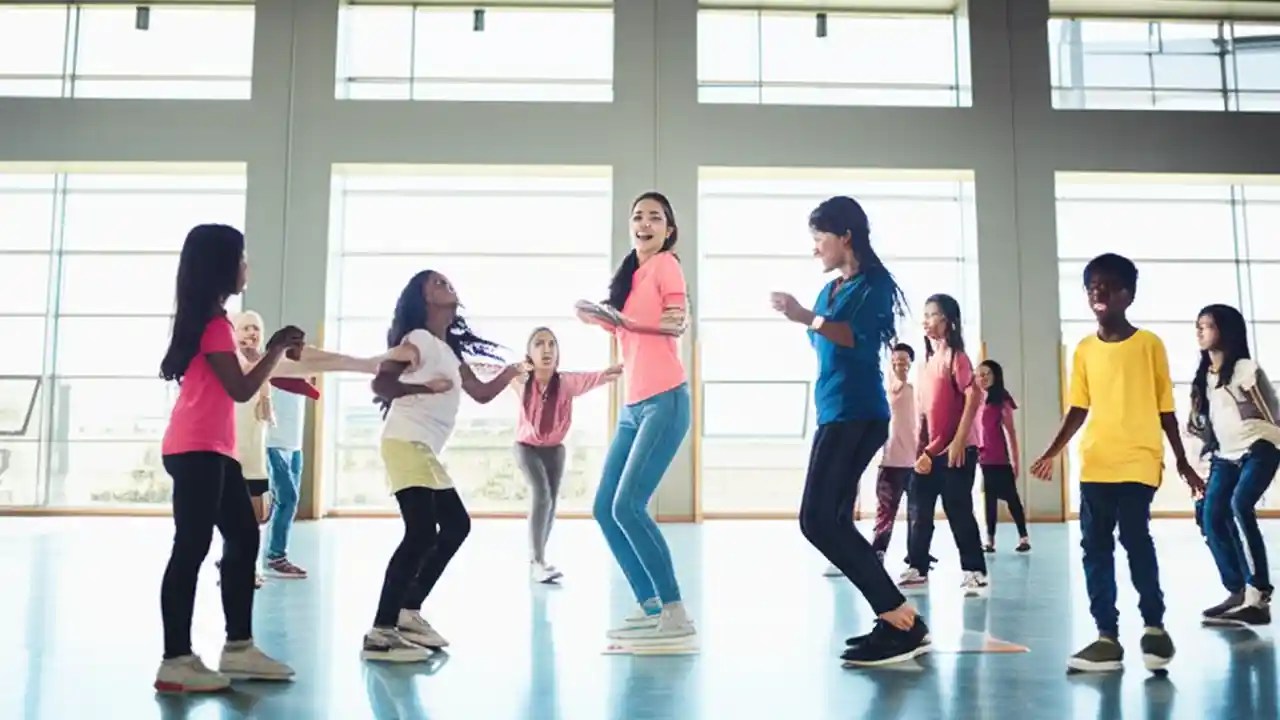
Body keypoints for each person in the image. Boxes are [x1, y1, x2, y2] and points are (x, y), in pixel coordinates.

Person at [770, 195, 931, 667]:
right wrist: (813, 318)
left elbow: (853, 339)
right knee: (831, 520)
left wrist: (806, 316)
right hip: (833, 413)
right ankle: (897, 621)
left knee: (817, 520)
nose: (815, 248)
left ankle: (900, 618)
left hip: (858, 415)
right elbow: (827, 336)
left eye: (820, 238)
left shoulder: (874, 287)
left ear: (846, 237)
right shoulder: (830, 292)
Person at [1030, 252, 1202, 674]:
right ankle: (1107, 636)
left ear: (1129, 294)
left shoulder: (1149, 345)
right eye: (1092, 286)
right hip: (1096, 464)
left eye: (1108, 286)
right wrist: (1052, 451)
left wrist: (1182, 459)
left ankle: (1154, 627)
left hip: (1140, 461)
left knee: (1135, 538)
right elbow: (1078, 409)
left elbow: (1166, 408)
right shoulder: (1085, 350)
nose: (1098, 292)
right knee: (1095, 547)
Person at [154, 224, 301, 693]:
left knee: (242, 537)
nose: (246, 267)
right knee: (192, 548)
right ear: (222, 265)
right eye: (241, 257)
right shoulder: (215, 326)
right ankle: (175, 660)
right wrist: (276, 348)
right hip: (197, 450)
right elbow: (240, 389)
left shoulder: (210, 321)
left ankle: (239, 648)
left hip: (213, 450)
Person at [363, 269, 526, 662]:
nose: (446, 283)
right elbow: (381, 385)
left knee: (455, 525)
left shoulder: (449, 352)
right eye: (435, 283)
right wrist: (423, 387)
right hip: (404, 441)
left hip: (422, 449)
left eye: (446, 281)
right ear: (423, 299)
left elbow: (482, 394)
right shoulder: (416, 341)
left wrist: (512, 371)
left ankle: (407, 611)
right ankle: (381, 632)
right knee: (420, 531)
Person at [576, 191, 694, 645]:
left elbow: (673, 323)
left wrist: (621, 323)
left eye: (655, 217)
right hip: (633, 404)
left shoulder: (667, 264)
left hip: (666, 399)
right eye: (638, 216)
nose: (645, 223)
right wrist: (599, 317)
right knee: (605, 508)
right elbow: (629, 326)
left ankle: (675, 610)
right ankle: (649, 605)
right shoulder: (633, 272)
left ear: (669, 229)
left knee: (629, 505)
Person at [1187, 304, 1276, 626]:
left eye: (1207, 326)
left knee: (1240, 504)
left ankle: (1259, 596)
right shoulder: (1204, 378)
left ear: (1225, 331)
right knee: (1210, 515)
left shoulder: (1246, 370)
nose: (1199, 331)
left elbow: (1273, 412)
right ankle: (1237, 591)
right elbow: (1202, 427)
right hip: (1225, 455)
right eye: (1198, 326)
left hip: (1260, 447)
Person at [511, 326, 622, 583]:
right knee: (541, 495)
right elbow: (494, 373)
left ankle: (539, 558)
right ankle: (537, 561)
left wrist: (618, 369)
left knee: (550, 502)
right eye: (539, 344)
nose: (546, 349)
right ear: (529, 353)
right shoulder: (521, 381)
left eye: (551, 344)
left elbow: (596, 377)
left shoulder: (566, 383)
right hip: (526, 448)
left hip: (555, 450)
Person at [899, 294, 989, 595]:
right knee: (919, 508)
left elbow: (972, 397)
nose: (926, 320)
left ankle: (974, 570)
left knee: (958, 507)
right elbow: (925, 415)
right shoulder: (927, 363)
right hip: (933, 450)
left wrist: (958, 442)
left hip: (958, 449)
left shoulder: (957, 358)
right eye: (924, 315)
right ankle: (917, 566)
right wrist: (921, 452)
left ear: (948, 320)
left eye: (932, 314)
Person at [975, 359, 1030, 553]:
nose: (983, 378)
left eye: (987, 374)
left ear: (995, 376)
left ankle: (1024, 537)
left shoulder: (1002, 400)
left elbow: (1011, 432)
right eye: (979, 375)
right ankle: (989, 540)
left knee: (1011, 498)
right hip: (983, 457)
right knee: (989, 498)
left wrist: (1015, 460)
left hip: (1001, 458)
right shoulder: (976, 399)